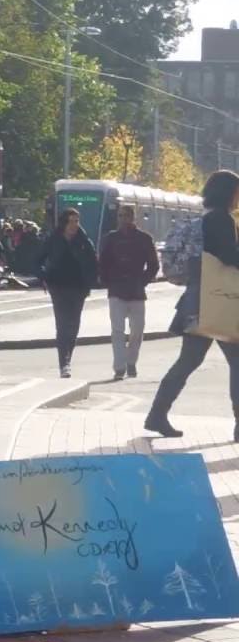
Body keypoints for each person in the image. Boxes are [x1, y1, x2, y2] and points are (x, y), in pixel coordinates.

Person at [145, 170, 239, 442]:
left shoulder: (204, 218)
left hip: (197, 300)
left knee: (188, 361)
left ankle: (157, 414)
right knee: (237, 361)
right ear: (227, 192)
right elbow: (229, 256)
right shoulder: (221, 219)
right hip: (219, 301)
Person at [98, 204, 159, 380]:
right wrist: (107, 280)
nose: (122, 219)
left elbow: (153, 264)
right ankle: (119, 366)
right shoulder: (111, 238)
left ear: (133, 218)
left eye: (126, 216)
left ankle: (131, 361)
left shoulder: (144, 238)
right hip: (116, 290)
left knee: (137, 330)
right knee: (117, 330)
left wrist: (143, 281)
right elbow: (103, 262)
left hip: (136, 290)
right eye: (120, 216)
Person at [38, 207, 98, 378]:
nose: (74, 225)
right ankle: (64, 364)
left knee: (73, 326)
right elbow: (38, 259)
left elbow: (93, 263)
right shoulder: (53, 239)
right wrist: (42, 275)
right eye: (71, 221)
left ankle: (68, 357)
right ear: (64, 223)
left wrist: (90, 282)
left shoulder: (84, 240)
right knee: (62, 325)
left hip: (78, 288)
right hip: (58, 287)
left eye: (76, 221)